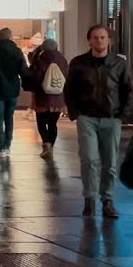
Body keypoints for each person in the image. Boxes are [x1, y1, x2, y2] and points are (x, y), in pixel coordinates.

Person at [66, 25, 133, 218]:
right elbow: (70, 89)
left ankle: (108, 201)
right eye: (95, 37)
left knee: (110, 162)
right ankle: (89, 199)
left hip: (111, 118)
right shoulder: (78, 63)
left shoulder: (119, 64)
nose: (99, 41)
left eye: (103, 37)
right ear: (89, 40)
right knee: (89, 160)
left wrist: (122, 116)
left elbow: (128, 90)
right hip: (87, 117)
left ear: (108, 40)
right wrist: (75, 113)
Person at [0, 28, 27, 157]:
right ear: (11, 37)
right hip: (13, 89)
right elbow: (23, 69)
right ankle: (8, 144)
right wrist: (27, 83)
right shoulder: (17, 51)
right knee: (9, 117)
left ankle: (1, 145)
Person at [29, 38, 68, 159]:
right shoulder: (63, 60)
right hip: (58, 98)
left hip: (42, 97)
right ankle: (51, 145)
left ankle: (46, 144)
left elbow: (36, 79)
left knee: (41, 123)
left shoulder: (40, 60)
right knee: (52, 124)